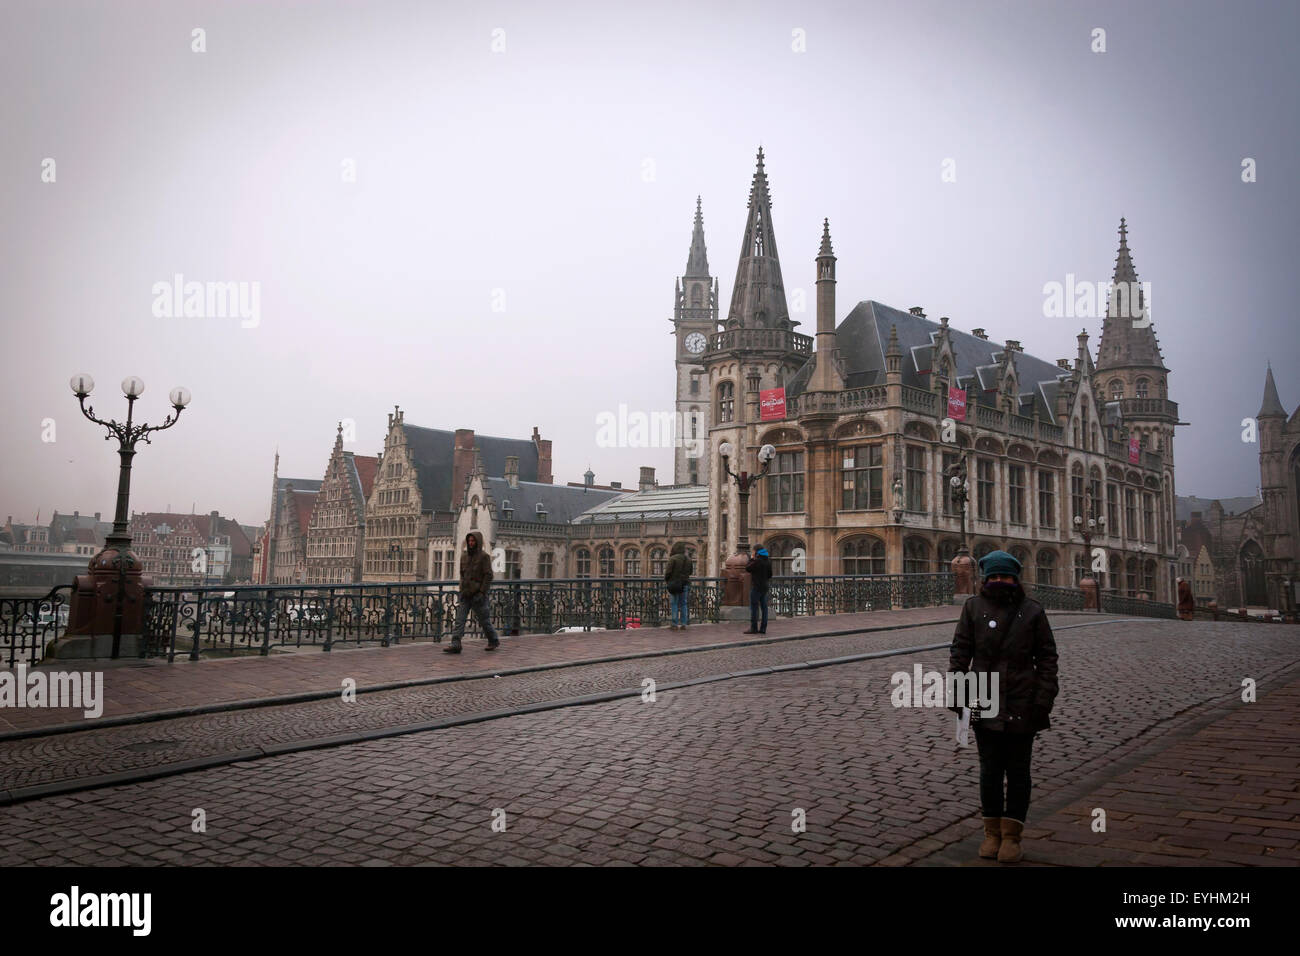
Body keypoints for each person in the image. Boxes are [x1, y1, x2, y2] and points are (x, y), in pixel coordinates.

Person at [948, 550, 1058, 863]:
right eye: (994, 577)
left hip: (1023, 698)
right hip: (983, 698)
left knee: (1019, 771)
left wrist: (1043, 699)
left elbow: (1047, 659)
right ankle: (992, 833)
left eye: (1005, 577)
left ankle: (1012, 836)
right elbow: (960, 653)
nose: (1000, 582)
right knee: (990, 770)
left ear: (1015, 578)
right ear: (985, 578)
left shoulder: (1032, 611)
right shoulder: (973, 607)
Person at [445, 531, 500, 653]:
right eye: (469, 541)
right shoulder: (464, 556)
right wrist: (462, 588)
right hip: (466, 593)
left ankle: (493, 640)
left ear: (478, 542)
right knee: (460, 620)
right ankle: (456, 644)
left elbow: (488, 575)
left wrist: (481, 592)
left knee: (484, 620)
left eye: (473, 541)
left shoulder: (484, 557)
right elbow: (462, 574)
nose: (471, 543)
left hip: (478, 595)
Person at [664, 541, 692, 630]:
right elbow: (690, 572)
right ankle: (684, 623)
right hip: (685, 583)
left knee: (674, 604)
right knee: (683, 603)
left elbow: (668, 572)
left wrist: (667, 580)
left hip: (674, 583)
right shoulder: (688, 559)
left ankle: (674, 624)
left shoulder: (673, 559)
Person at [744, 547, 772, 634]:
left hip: (756, 587)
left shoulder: (757, 561)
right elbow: (770, 574)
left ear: (757, 552)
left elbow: (748, 568)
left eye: (754, 551)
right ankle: (763, 628)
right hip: (765, 587)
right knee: (764, 608)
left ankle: (754, 628)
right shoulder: (768, 561)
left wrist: (751, 559)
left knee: (754, 608)